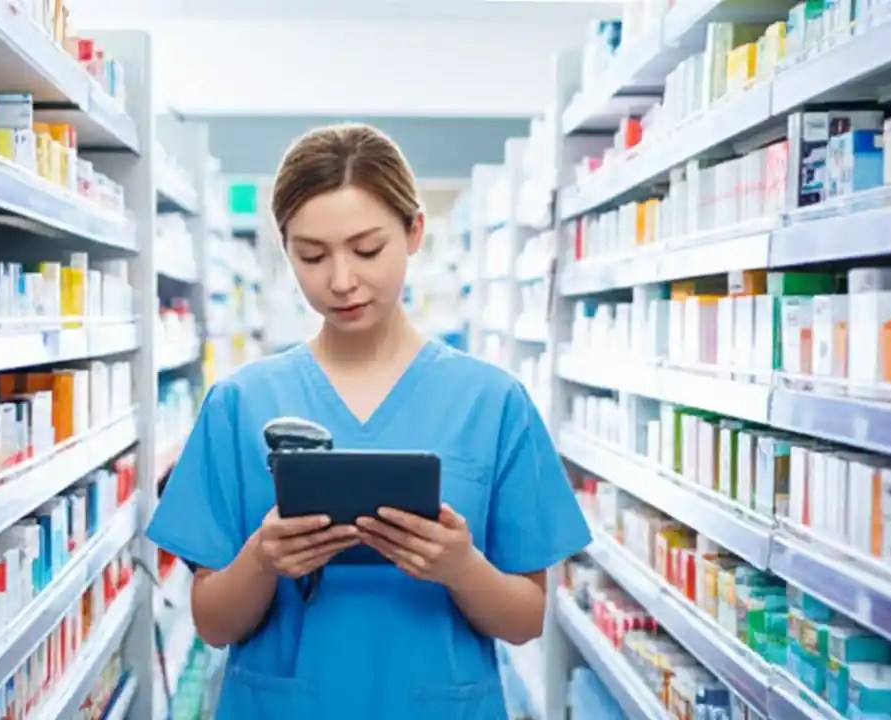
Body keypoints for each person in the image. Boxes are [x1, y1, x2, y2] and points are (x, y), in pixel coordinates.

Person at [147, 123, 590, 719]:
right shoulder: (239, 403)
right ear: (285, 251)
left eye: (367, 249)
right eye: (312, 255)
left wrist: (461, 567)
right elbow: (214, 623)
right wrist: (261, 559)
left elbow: (523, 620)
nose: (341, 280)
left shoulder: (492, 402)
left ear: (414, 232)